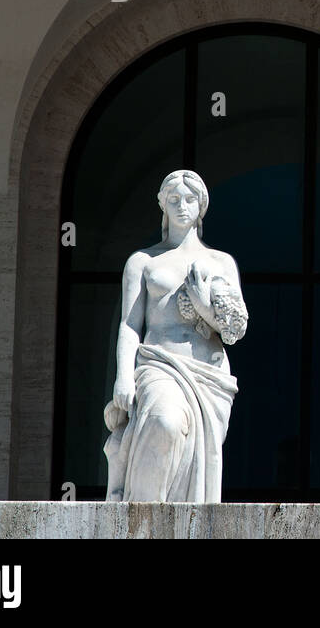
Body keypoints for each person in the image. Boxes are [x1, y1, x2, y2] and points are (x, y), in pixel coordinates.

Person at [103, 170, 249, 502]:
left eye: (190, 199)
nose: (182, 206)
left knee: (192, 456)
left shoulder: (220, 262)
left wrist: (201, 302)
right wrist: (123, 377)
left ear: (202, 206)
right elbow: (129, 325)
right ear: (162, 205)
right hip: (159, 364)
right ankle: (140, 519)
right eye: (174, 199)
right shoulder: (142, 261)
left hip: (207, 375)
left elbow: (235, 330)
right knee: (163, 421)